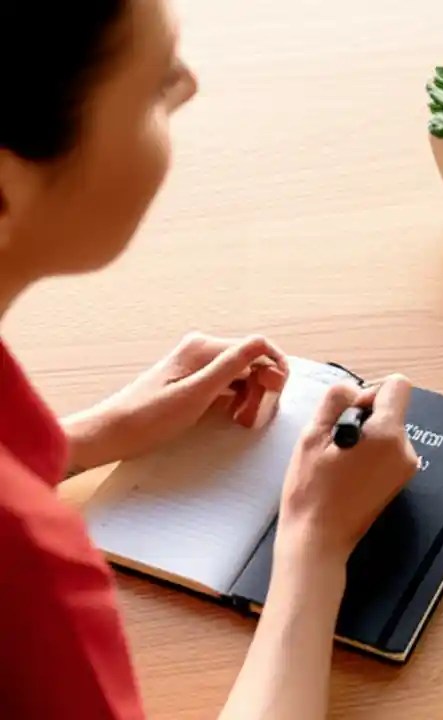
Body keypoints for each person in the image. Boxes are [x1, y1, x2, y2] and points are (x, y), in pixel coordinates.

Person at [0, 1, 420, 718]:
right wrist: (313, 548)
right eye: (158, 84)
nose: (190, 86)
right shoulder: (27, 574)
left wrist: (89, 437)